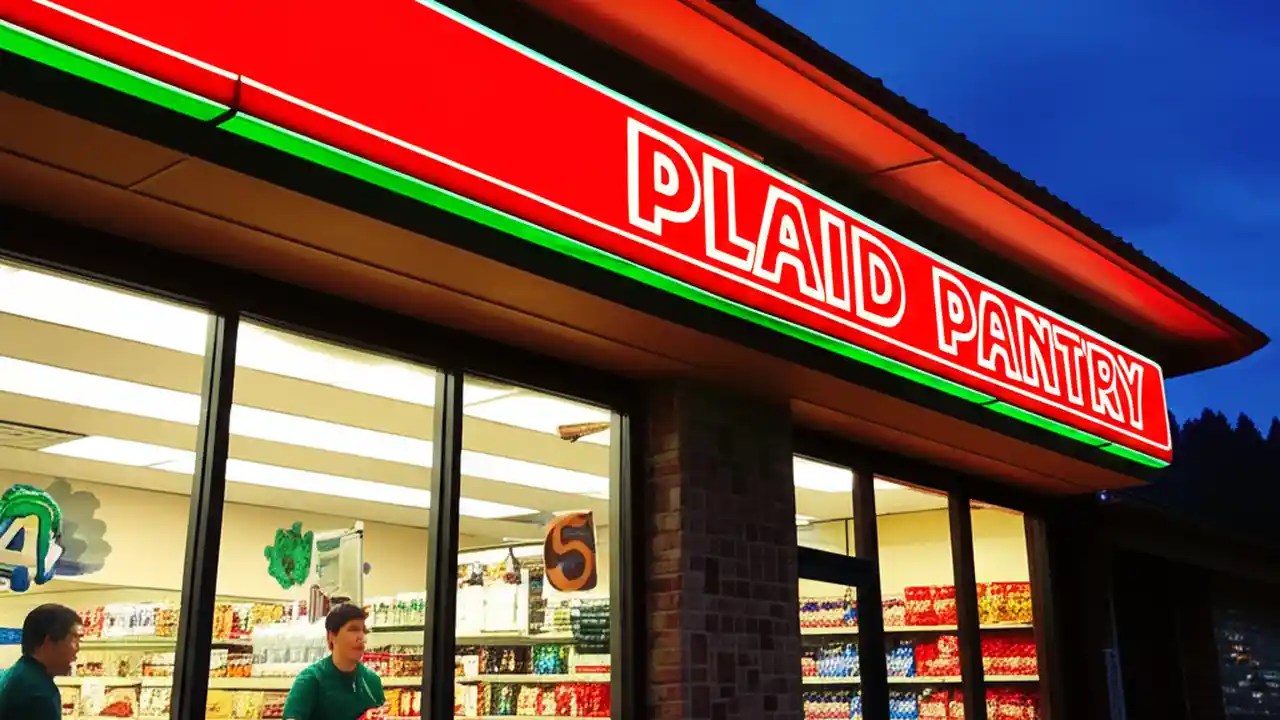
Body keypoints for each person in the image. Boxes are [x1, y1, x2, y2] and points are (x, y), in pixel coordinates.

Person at [283, 603, 385, 720]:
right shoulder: (311, 680)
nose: (361, 637)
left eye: (363, 631)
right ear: (331, 636)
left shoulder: (372, 681)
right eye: (353, 629)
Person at [0, 603, 82, 720]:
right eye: (74, 640)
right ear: (49, 642)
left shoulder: (16, 674)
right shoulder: (39, 692)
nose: (78, 649)